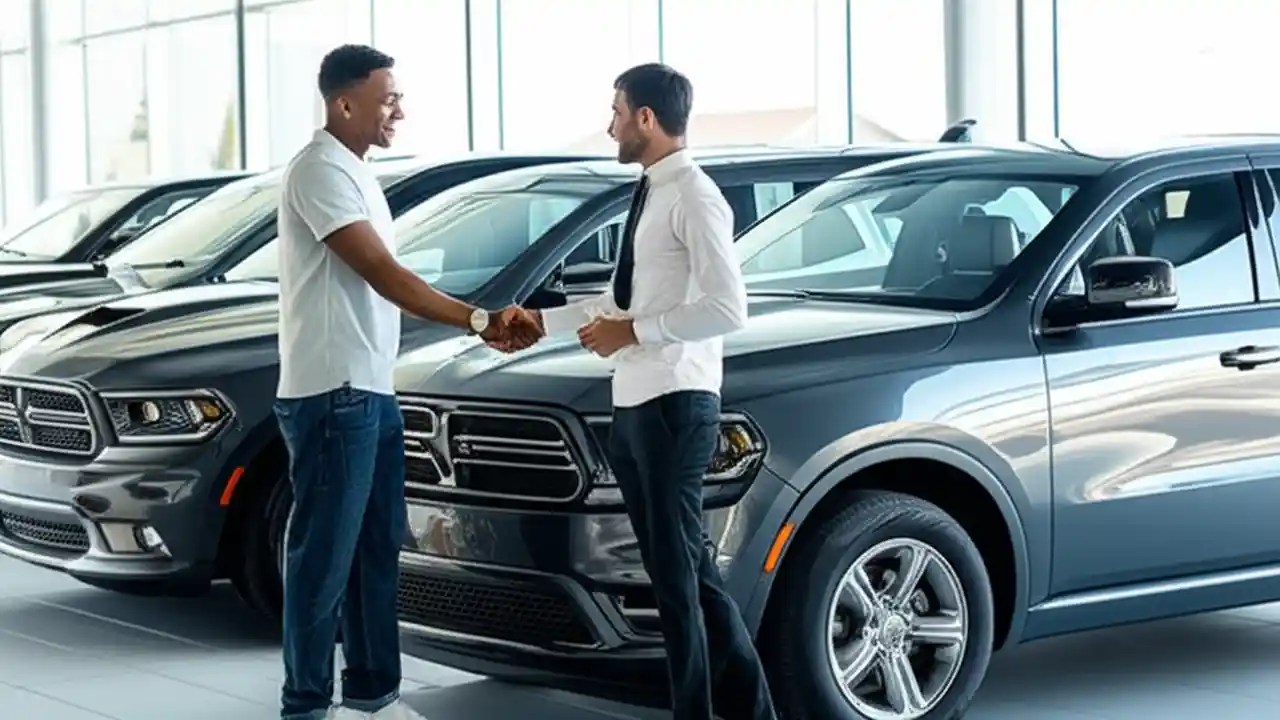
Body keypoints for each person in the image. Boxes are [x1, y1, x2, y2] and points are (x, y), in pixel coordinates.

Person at [496, 62, 777, 720]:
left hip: (678, 405)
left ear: (646, 117)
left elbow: (729, 308)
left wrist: (637, 334)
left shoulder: (695, 196)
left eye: (618, 110)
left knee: (678, 581)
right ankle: (753, 711)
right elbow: (621, 301)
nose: (611, 123)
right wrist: (546, 321)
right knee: (684, 573)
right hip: (637, 404)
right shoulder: (652, 191)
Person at [273, 44, 538, 720]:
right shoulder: (319, 171)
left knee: (376, 548)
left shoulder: (355, 170)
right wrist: (478, 319)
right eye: (387, 96)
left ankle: (373, 696)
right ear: (344, 103)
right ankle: (306, 704)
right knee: (323, 560)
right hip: (334, 392)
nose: (400, 108)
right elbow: (384, 276)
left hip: (369, 388)